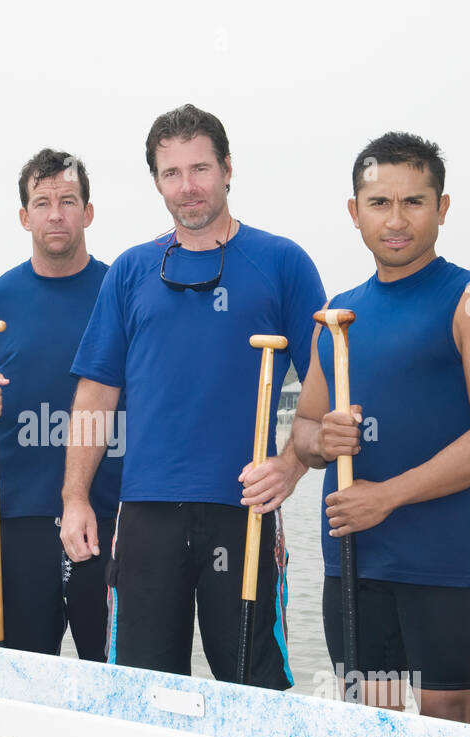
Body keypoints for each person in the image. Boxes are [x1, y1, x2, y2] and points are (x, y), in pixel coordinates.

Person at [62, 105, 324, 687]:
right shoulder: (131, 270)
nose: (188, 187)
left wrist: (290, 466)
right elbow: (95, 394)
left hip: (245, 509)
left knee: (257, 688)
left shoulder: (282, 263)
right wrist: (77, 497)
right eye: (171, 173)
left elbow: (322, 390)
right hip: (147, 512)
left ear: (228, 169)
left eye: (200, 168)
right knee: (139, 689)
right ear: (156, 180)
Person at [290, 132, 470, 724]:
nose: (396, 220)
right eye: (378, 203)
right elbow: (302, 427)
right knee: (370, 733)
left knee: (448, 731)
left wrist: (388, 497)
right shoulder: (336, 313)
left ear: (442, 208)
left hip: (441, 562)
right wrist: (323, 442)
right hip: (350, 558)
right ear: (355, 213)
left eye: (414, 202)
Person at [0, 148, 119, 659]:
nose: (55, 214)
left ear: (88, 212)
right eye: (42, 203)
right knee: (17, 673)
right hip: (15, 517)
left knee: (110, 672)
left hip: (106, 514)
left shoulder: (119, 290)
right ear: (24, 217)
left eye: (68, 200)